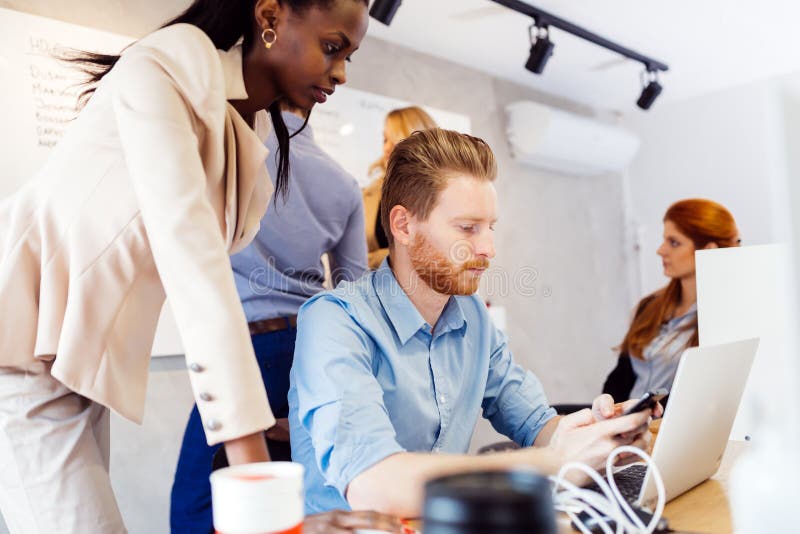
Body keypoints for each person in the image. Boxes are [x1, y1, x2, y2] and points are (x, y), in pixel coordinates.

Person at [0, 0, 379, 532]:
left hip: (70, 362)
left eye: (348, 56)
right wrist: (257, 476)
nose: (341, 73)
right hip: (20, 345)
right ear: (270, 16)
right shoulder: (174, 62)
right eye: (332, 47)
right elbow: (193, 262)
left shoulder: (246, 127)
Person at [288, 128, 658, 517]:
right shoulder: (334, 321)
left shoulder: (472, 316)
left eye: (489, 227)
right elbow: (374, 484)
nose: (488, 249)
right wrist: (555, 461)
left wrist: (596, 436)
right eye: (468, 228)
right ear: (404, 226)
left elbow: (537, 424)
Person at [170, 101, 369, 532]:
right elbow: (354, 295)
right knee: (287, 498)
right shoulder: (343, 182)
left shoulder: (235, 150)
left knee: (196, 505)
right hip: (313, 352)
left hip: (247, 353)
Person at [603, 199, 740, 406]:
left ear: (708, 250)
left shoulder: (724, 318)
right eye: (664, 240)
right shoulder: (650, 306)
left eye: (674, 243)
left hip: (669, 423)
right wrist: (608, 412)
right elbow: (619, 380)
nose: (660, 250)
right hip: (627, 420)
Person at [363, 106, 437, 269]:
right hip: (374, 284)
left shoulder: (442, 195)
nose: (387, 148)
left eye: (394, 139)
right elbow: (356, 258)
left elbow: (438, 253)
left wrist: (378, 258)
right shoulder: (367, 196)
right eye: (385, 140)